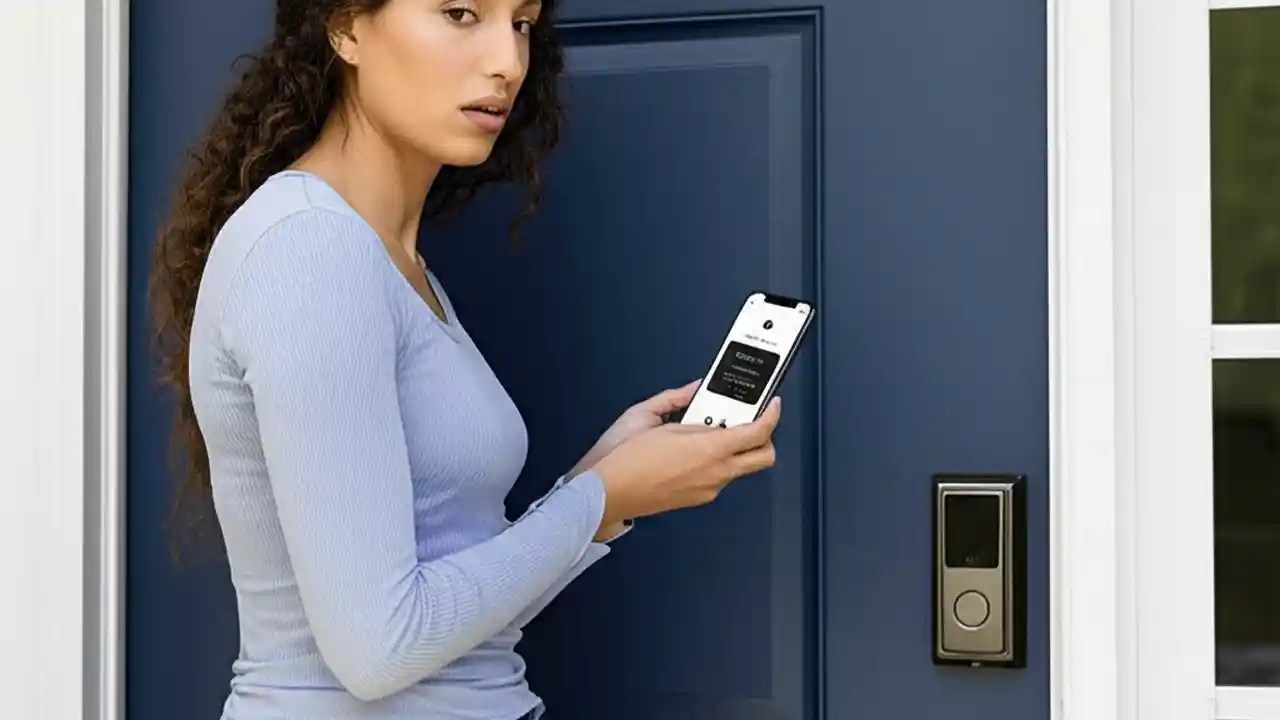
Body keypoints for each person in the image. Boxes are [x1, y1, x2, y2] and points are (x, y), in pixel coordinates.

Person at [147, 1, 782, 718]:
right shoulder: (311, 250)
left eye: (520, 22)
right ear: (346, 28)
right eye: (459, 13)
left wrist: (599, 488)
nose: (508, 61)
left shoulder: (389, 259)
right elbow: (379, 648)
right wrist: (600, 498)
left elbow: (459, 620)